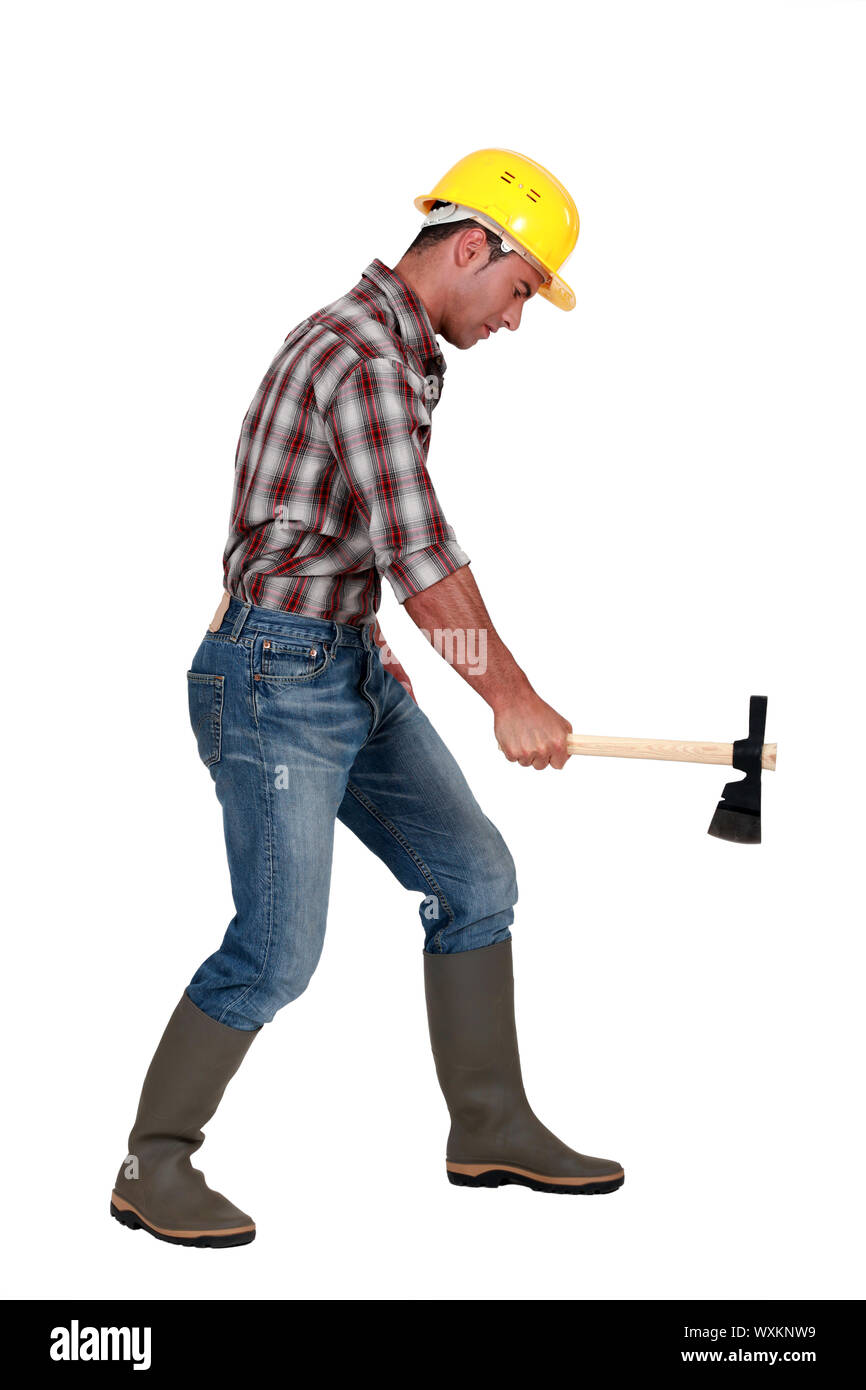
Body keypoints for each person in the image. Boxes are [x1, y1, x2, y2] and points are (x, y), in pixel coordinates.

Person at [110, 148, 624, 1248]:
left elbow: (334, 534)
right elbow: (419, 549)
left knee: (475, 877)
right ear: (471, 245)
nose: (517, 319)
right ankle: (150, 1163)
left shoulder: (392, 346)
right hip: (270, 679)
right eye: (522, 289)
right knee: (277, 948)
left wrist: (372, 641)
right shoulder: (363, 357)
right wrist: (511, 698)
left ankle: (487, 1122)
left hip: (343, 658)